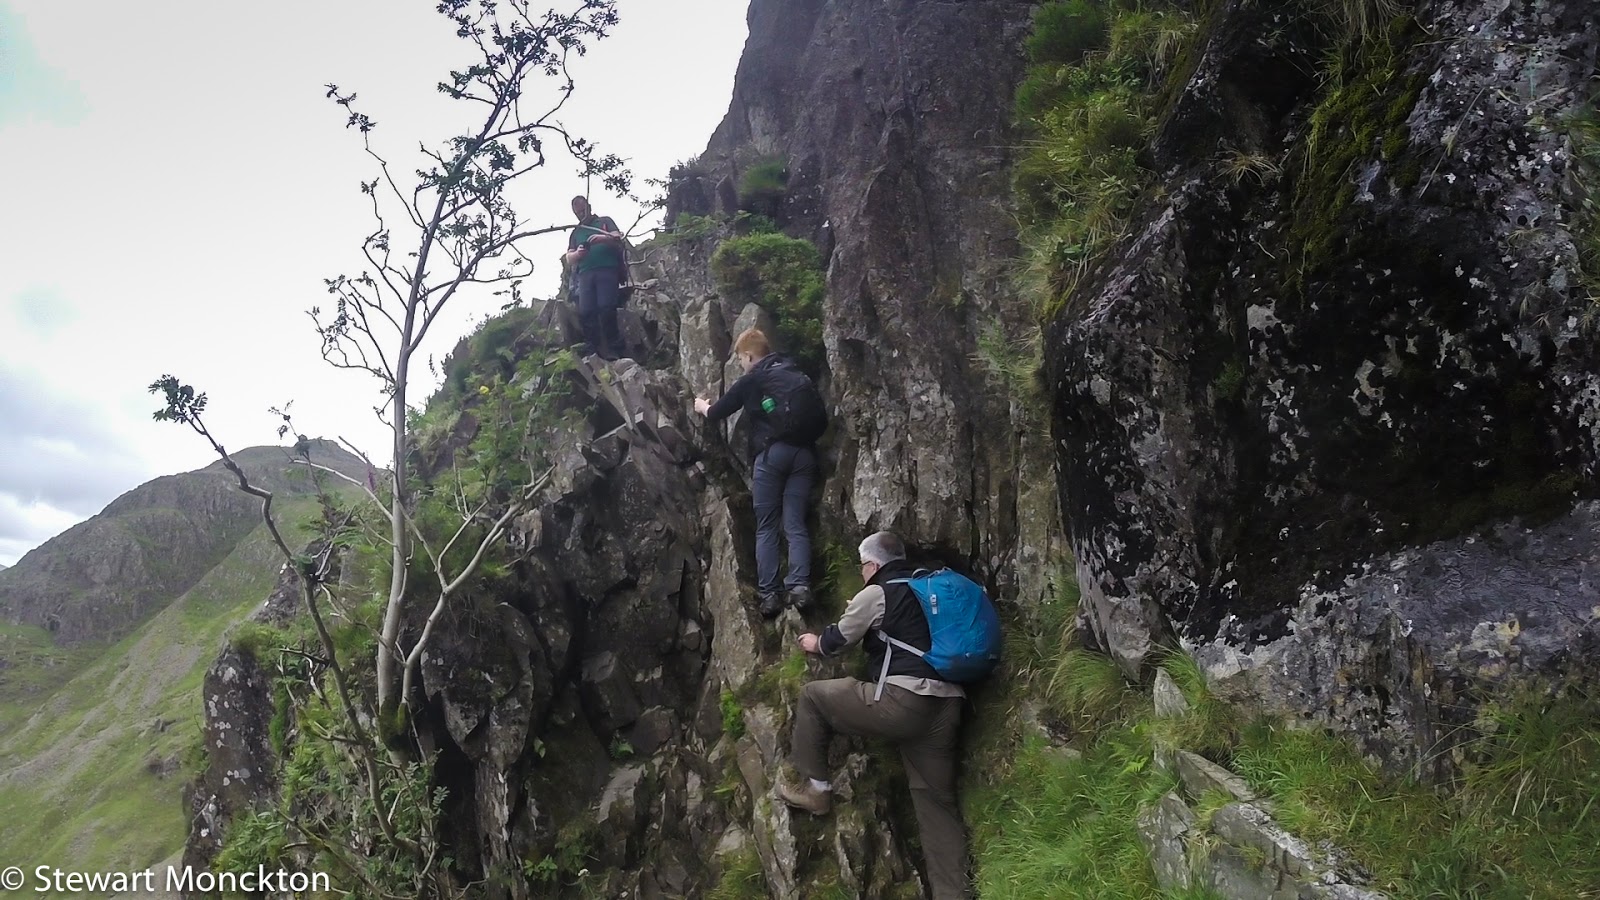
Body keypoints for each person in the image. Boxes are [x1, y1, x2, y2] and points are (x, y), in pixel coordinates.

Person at [776, 531, 971, 900]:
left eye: (863, 565)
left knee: (813, 697)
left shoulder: (877, 592)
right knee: (936, 806)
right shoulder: (929, 584)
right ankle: (954, 894)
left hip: (903, 703)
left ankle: (816, 790)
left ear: (872, 564)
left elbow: (838, 640)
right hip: (948, 705)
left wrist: (814, 643)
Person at [694, 327, 822, 618]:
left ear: (749, 355)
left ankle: (770, 596)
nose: (741, 364)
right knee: (795, 522)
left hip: (771, 456)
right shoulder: (792, 370)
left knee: (767, 525)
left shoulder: (753, 379)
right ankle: (800, 587)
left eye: (740, 359)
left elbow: (718, 412)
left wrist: (703, 406)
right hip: (804, 454)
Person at [564, 195, 626, 360]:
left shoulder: (604, 221)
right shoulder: (576, 232)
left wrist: (602, 238)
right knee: (586, 311)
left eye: (582, 209)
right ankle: (592, 350)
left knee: (606, 307)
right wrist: (578, 253)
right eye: (577, 212)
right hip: (585, 274)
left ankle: (614, 348)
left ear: (589, 206)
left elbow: (618, 237)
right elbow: (569, 258)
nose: (580, 214)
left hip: (607, 269)